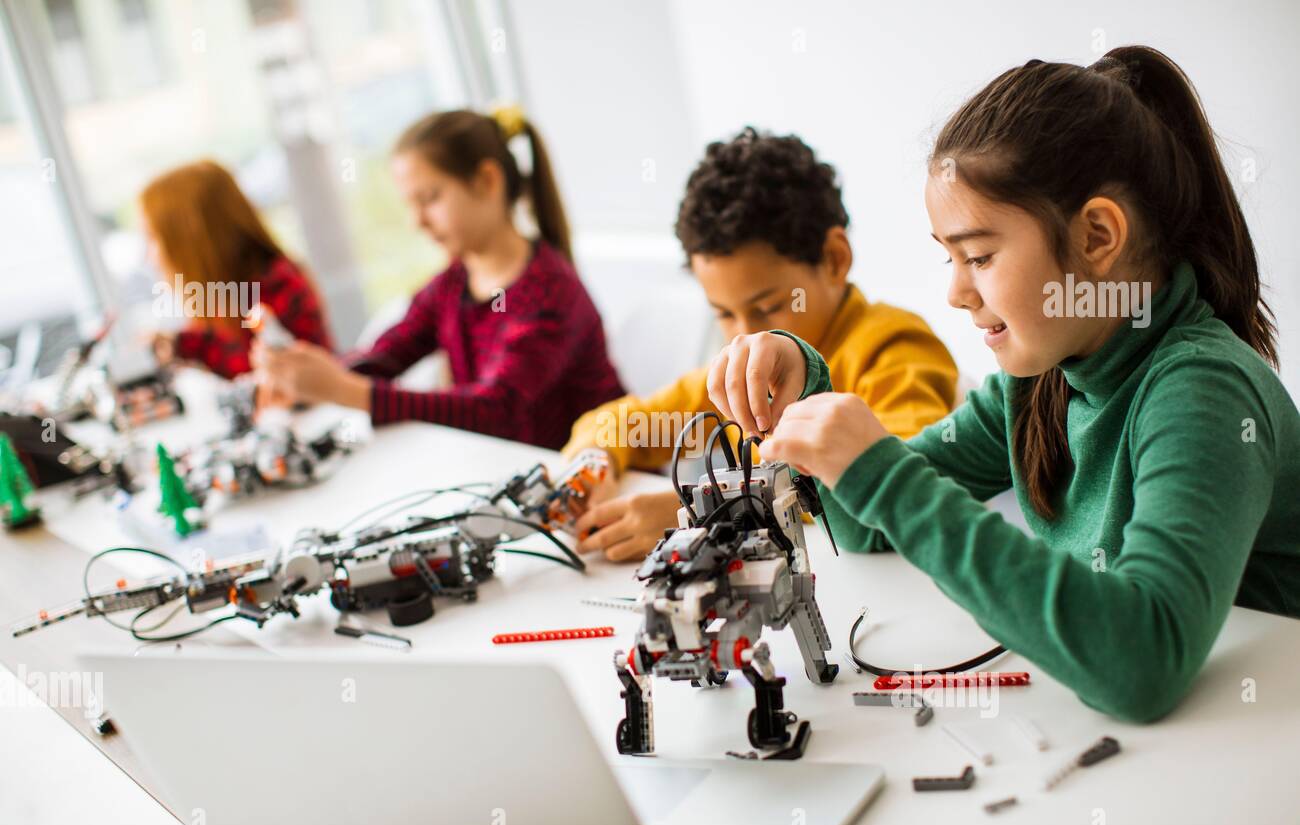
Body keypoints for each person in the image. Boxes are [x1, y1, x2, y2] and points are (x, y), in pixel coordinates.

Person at [707, 48, 1300, 722]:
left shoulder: (1205, 393)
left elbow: (1144, 665)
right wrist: (808, 398)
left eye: (980, 256)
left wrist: (886, 477)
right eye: (949, 257)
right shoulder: (1042, 381)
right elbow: (872, 526)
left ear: (1098, 235)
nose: (957, 292)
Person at [566, 128, 958, 561]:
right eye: (724, 312)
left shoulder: (893, 347)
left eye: (768, 307)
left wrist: (706, 513)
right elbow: (628, 422)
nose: (743, 334)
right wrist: (591, 463)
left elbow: (894, 480)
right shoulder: (748, 368)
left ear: (833, 259)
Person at [257, 107, 624, 449]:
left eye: (429, 198)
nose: (417, 221)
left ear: (487, 181)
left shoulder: (550, 291)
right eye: (409, 205)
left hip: (600, 485)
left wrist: (344, 389)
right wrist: (305, 376)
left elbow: (495, 411)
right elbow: (386, 356)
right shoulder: (452, 284)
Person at [141, 160, 333, 379]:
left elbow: (259, 371)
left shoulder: (277, 288)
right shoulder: (225, 295)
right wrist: (176, 344)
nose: (150, 256)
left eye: (153, 238)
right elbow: (218, 346)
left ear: (191, 241)